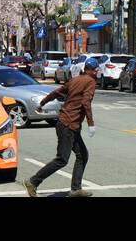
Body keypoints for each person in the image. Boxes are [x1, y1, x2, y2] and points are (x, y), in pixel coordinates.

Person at [25, 56, 98, 197]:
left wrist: (42, 103)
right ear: (93, 71)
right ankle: (33, 181)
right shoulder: (90, 82)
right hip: (68, 124)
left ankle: (76, 189)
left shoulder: (75, 80)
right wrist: (91, 123)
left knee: (83, 155)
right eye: (96, 70)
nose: (97, 73)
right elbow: (86, 103)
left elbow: (56, 92)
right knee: (62, 159)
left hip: (68, 124)